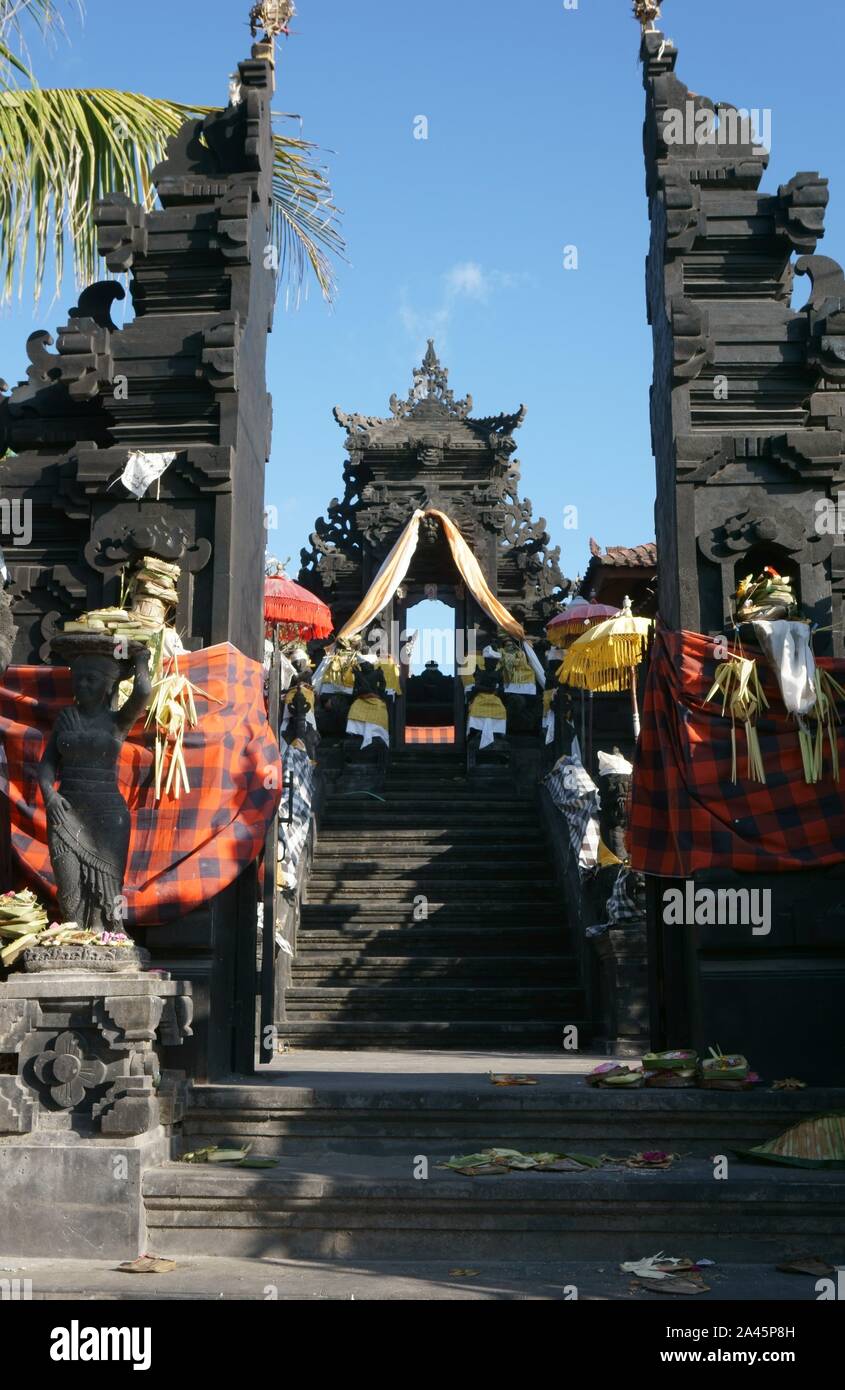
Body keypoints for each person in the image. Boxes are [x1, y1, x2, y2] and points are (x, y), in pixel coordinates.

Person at [38, 644, 152, 933]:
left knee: (110, 886)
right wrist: (49, 795)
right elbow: (47, 765)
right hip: (66, 813)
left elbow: (142, 692)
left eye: (91, 679)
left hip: (107, 817)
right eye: (79, 678)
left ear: (106, 686)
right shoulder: (66, 719)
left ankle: (110, 936)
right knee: (68, 888)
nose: (82, 684)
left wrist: (140, 659)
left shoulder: (117, 722)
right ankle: (73, 935)